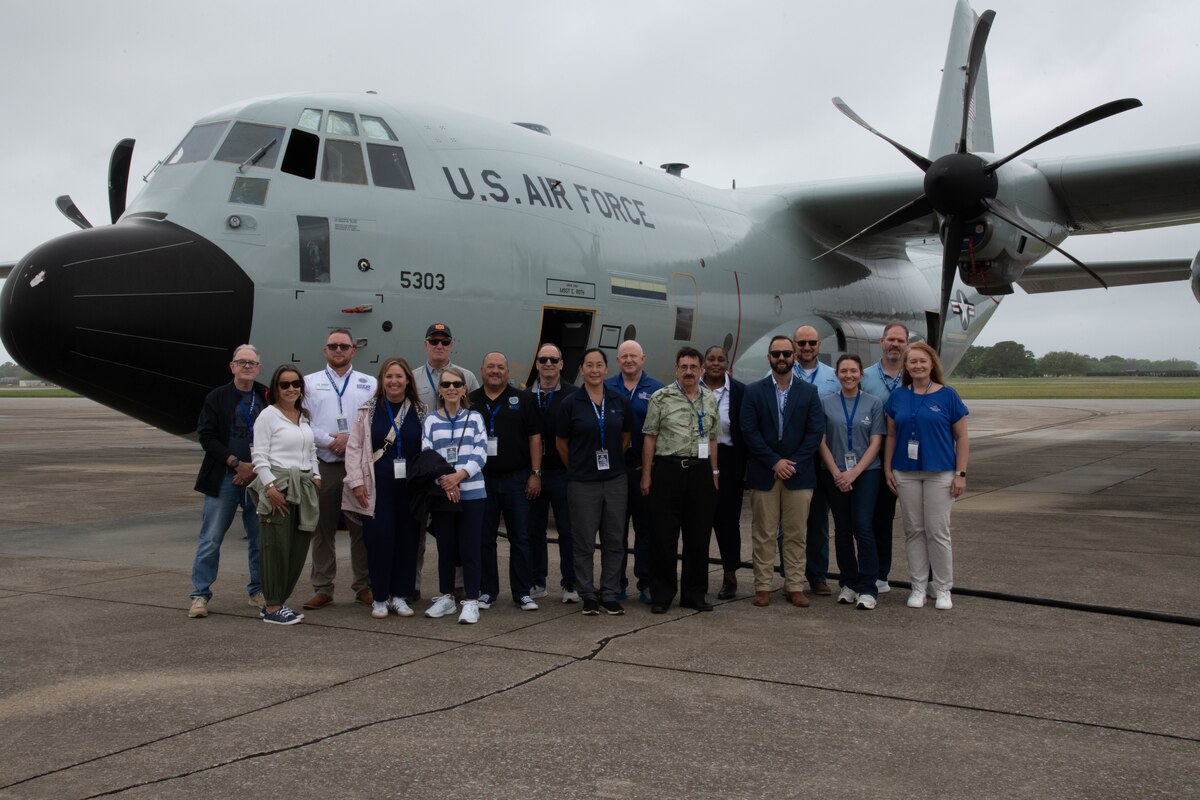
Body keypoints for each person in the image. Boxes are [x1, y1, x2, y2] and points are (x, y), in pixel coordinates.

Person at [883, 342, 970, 611]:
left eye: (923, 361)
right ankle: (918, 586)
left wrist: (961, 474)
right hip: (906, 472)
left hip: (940, 472)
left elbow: (962, 437)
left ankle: (942, 588)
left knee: (937, 531)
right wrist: (888, 468)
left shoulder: (948, 395)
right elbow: (892, 435)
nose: (918, 366)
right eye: (913, 362)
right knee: (913, 531)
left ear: (932, 364)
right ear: (906, 367)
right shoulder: (898, 397)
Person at [741, 336, 824, 607]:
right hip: (765, 472)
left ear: (794, 357)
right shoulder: (754, 392)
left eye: (786, 353)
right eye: (776, 353)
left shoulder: (809, 392)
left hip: (798, 474)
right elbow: (749, 431)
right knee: (763, 532)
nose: (781, 358)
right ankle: (763, 586)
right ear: (769, 358)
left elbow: (815, 432)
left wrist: (791, 463)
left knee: (796, 532)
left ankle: (794, 585)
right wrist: (774, 462)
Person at [187, 345, 268, 618]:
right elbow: (207, 437)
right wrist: (236, 463)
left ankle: (257, 591)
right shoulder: (218, 397)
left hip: (258, 478)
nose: (247, 367)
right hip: (225, 476)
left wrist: (256, 469)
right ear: (232, 366)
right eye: (241, 362)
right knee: (211, 538)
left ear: (259, 367)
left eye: (252, 363)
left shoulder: (265, 396)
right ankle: (200, 594)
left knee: (259, 539)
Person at [342, 357, 426, 619]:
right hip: (377, 488)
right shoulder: (369, 410)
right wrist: (355, 482)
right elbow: (354, 447)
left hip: (410, 489)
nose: (394, 381)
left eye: (399, 376)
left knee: (408, 542)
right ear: (382, 380)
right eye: (389, 376)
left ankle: (400, 596)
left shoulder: (420, 410)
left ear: (407, 380)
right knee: (379, 541)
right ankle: (379, 597)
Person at [640, 347, 720, 613]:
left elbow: (712, 438)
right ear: (676, 369)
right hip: (668, 470)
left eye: (693, 367)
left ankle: (694, 594)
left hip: (700, 472)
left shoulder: (709, 399)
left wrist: (714, 472)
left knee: (698, 536)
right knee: (664, 536)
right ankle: (662, 595)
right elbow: (650, 436)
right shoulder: (661, 397)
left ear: (701, 370)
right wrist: (647, 474)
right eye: (683, 367)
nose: (688, 372)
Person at [303, 329, 376, 610]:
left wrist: (351, 440)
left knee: (361, 529)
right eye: (333, 346)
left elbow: (373, 419)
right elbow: (304, 420)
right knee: (323, 529)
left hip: (358, 466)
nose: (338, 350)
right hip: (327, 464)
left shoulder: (369, 384)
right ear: (325, 350)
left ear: (353, 350)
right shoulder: (310, 383)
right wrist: (330, 440)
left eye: (343, 346)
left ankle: (363, 586)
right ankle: (323, 588)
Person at [556, 348, 632, 615]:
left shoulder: (618, 400)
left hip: (614, 480)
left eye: (599, 365)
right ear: (581, 369)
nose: (595, 370)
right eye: (589, 365)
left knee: (614, 539)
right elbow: (561, 442)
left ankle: (609, 593)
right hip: (582, 482)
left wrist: (610, 459)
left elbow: (625, 437)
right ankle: (587, 593)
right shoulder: (571, 403)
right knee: (584, 541)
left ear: (606, 369)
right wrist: (578, 465)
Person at [410, 322, 481, 598]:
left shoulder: (467, 377)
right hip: (423, 464)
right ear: (425, 344)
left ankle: (460, 586)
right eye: (434, 341)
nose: (439, 346)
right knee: (417, 531)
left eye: (444, 341)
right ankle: (413, 585)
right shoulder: (413, 378)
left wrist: (457, 474)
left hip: (458, 470)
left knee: (456, 534)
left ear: (451, 344)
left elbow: (472, 416)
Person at [468, 351, 542, 611]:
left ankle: (522, 591)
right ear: (482, 370)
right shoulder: (470, 400)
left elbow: (535, 437)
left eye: (500, 367)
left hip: (516, 478)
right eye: (490, 367)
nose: (495, 371)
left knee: (520, 537)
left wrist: (535, 474)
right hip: (481, 479)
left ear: (508, 371)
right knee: (484, 538)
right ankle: (488, 591)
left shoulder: (523, 399)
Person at [250, 365, 322, 625]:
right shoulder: (268, 416)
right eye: (285, 384)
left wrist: (316, 476)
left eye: (295, 383)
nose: (291, 388)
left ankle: (280, 601)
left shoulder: (303, 416)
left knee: (298, 546)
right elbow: (258, 456)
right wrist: (270, 488)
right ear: (275, 389)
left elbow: (311, 448)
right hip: (279, 483)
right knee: (275, 547)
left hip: (303, 485)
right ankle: (271, 606)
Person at [421, 366, 488, 624]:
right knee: (446, 547)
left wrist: (459, 477)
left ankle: (471, 600)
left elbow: (480, 452)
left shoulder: (474, 418)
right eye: (446, 384)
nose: (451, 388)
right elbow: (428, 455)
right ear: (439, 390)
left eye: (456, 384)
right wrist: (445, 482)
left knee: (470, 547)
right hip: (443, 494)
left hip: (472, 492)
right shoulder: (430, 420)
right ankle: (447, 596)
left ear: (463, 390)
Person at [818, 354, 885, 611]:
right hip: (834, 472)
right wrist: (837, 473)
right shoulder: (826, 403)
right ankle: (848, 583)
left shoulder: (874, 403)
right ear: (836, 375)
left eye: (853, 371)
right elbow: (821, 441)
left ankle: (868, 587)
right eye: (844, 371)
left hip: (865, 472)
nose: (848, 375)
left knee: (862, 527)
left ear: (861, 374)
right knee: (842, 529)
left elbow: (876, 442)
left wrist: (853, 473)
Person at [605, 339, 663, 602]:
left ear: (643, 359)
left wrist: (650, 471)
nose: (629, 360)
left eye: (634, 356)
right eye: (624, 356)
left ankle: (646, 582)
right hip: (614, 471)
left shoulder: (658, 390)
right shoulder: (606, 387)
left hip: (642, 470)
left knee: (645, 530)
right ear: (617, 361)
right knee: (614, 530)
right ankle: (616, 582)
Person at [527, 343, 580, 603]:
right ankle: (538, 581)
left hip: (562, 473)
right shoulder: (526, 395)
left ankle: (571, 584)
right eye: (543, 359)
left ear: (561, 364)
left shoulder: (574, 395)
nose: (548, 364)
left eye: (553, 360)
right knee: (535, 530)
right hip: (535, 474)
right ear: (536, 364)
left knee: (568, 531)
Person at [859, 321, 909, 594]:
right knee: (879, 519)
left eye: (900, 341)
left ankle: (929, 579)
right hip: (874, 461)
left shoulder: (913, 375)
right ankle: (879, 574)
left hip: (910, 460)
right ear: (881, 342)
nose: (895, 345)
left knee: (918, 524)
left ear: (907, 345)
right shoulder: (865, 377)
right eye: (891, 339)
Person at [791, 324, 839, 596]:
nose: (806, 348)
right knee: (789, 526)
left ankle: (818, 575)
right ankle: (790, 575)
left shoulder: (833, 377)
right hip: (791, 461)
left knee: (818, 522)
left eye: (811, 343)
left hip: (821, 460)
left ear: (819, 345)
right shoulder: (778, 374)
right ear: (794, 345)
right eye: (801, 343)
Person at [702, 345, 747, 600]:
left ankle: (730, 577)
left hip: (729, 461)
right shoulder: (690, 387)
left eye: (721, 359)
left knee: (728, 522)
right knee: (698, 522)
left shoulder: (740, 392)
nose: (716, 363)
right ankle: (697, 576)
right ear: (704, 363)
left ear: (727, 363)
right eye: (711, 359)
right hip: (697, 459)